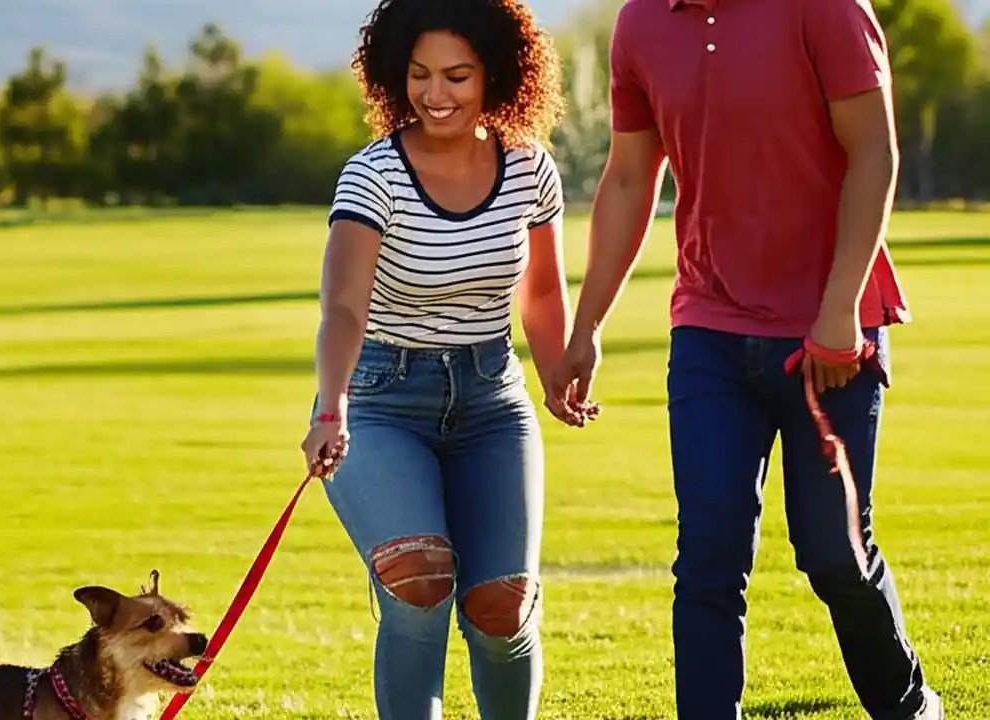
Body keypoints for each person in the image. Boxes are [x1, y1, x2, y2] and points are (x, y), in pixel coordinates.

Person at [549, 0, 942, 718]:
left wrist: (838, 308)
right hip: (710, 328)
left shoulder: (824, 9)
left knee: (834, 554)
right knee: (707, 560)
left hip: (832, 333)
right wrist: (588, 324)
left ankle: (909, 705)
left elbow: (874, 153)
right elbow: (632, 177)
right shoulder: (640, 23)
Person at [298, 1, 591, 717]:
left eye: (457, 75)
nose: (436, 94)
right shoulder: (374, 176)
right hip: (378, 400)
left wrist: (558, 373)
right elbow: (342, 307)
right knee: (419, 583)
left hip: (492, 402)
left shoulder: (529, 168)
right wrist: (331, 404)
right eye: (420, 74)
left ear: (497, 73)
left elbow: (544, 292)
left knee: (501, 606)